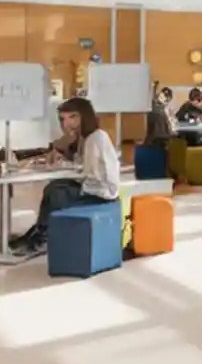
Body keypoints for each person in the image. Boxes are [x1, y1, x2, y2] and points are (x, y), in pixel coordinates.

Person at [11, 97, 121, 255]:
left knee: (57, 193)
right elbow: (79, 164)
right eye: (63, 119)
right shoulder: (84, 138)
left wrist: (60, 166)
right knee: (54, 187)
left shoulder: (96, 138)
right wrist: (62, 159)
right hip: (90, 186)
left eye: (73, 117)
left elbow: (87, 172)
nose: (66, 123)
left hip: (100, 193)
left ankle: (44, 238)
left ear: (85, 116)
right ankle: (38, 232)